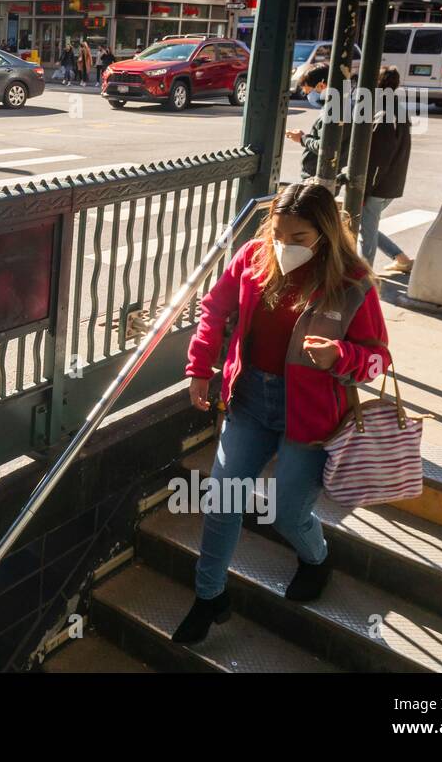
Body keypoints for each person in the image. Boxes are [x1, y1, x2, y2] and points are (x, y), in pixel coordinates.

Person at [175, 182, 391, 644]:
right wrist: (200, 366)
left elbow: (378, 360)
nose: (284, 246)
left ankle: (316, 557)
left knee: (288, 513)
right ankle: (208, 597)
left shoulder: (352, 283)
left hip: (310, 419)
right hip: (250, 400)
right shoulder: (255, 257)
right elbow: (214, 309)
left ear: (325, 235)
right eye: (278, 234)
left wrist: (341, 356)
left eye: (298, 239)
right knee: (221, 500)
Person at [358, 65, 415, 275]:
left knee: (366, 231)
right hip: (392, 183)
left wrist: (364, 191)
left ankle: (363, 275)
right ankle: (401, 259)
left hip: (378, 186)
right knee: (368, 226)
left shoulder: (382, 113)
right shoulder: (396, 109)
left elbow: (377, 160)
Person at [285, 63, 331, 180]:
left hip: (319, 175)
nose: (308, 96)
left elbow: (325, 147)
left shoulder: (332, 111)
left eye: (309, 92)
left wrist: (302, 138)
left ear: (321, 86)